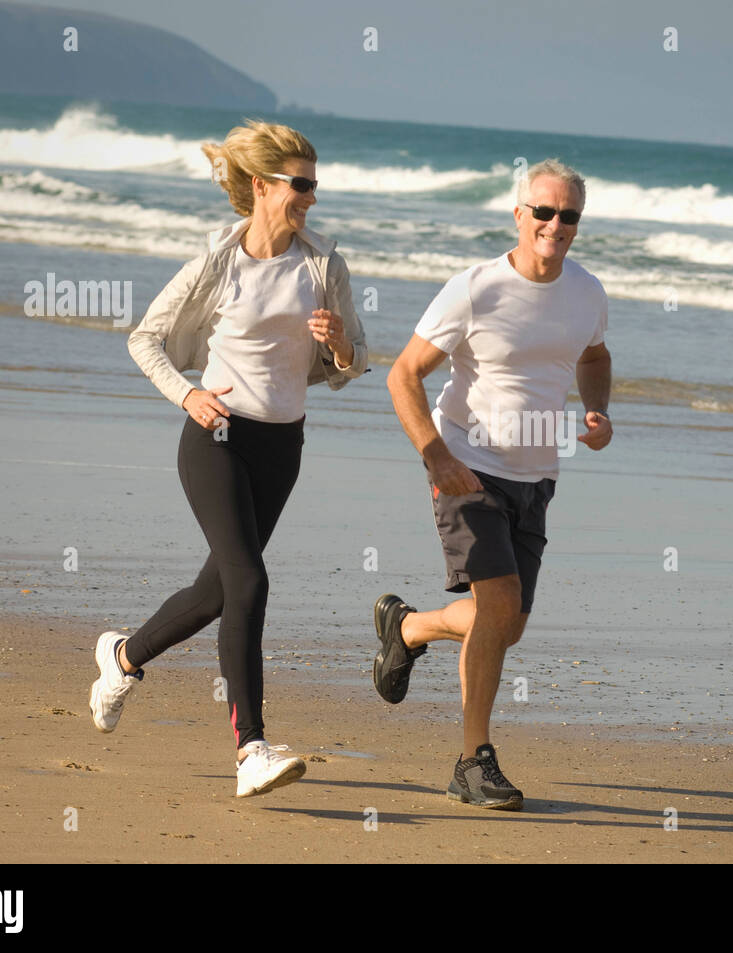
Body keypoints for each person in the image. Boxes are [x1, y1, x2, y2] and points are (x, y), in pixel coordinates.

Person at [90, 120, 368, 798]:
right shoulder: (219, 261)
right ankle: (251, 749)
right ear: (261, 185)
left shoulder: (324, 264)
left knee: (219, 591)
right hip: (214, 437)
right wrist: (187, 395)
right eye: (299, 184)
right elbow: (145, 338)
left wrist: (336, 347)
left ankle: (121, 656)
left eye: (314, 184)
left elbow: (356, 359)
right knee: (251, 583)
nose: (310, 196)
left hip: (282, 447)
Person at [375, 158, 612, 810]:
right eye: (544, 211)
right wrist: (434, 455)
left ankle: (410, 628)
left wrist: (597, 410)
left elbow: (594, 355)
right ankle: (471, 761)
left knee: (505, 624)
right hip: (466, 468)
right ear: (519, 214)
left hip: (536, 478)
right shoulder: (475, 288)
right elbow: (403, 375)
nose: (555, 225)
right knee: (500, 600)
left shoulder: (587, 293)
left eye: (568, 216)